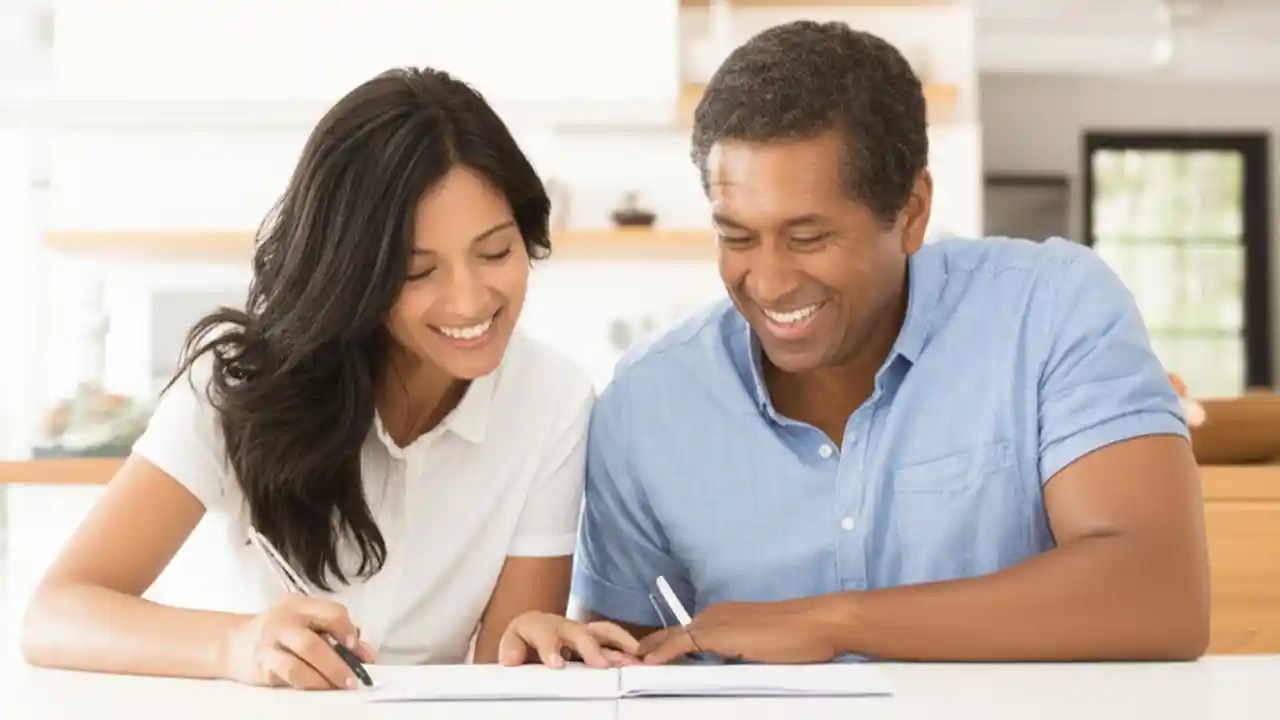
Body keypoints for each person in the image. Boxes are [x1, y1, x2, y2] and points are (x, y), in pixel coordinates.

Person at [572, 21, 1210, 664]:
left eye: (808, 238)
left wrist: (830, 622)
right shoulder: (646, 403)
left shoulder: (1050, 311)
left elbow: (1159, 594)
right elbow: (620, 667)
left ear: (911, 212)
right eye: (737, 237)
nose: (766, 281)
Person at [21, 67, 637, 690]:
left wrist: (537, 650)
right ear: (354, 274)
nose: (470, 300)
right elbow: (56, 614)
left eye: (496, 253)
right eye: (418, 271)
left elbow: (498, 681)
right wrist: (237, 644)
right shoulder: (238, 383)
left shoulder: (553, 400)